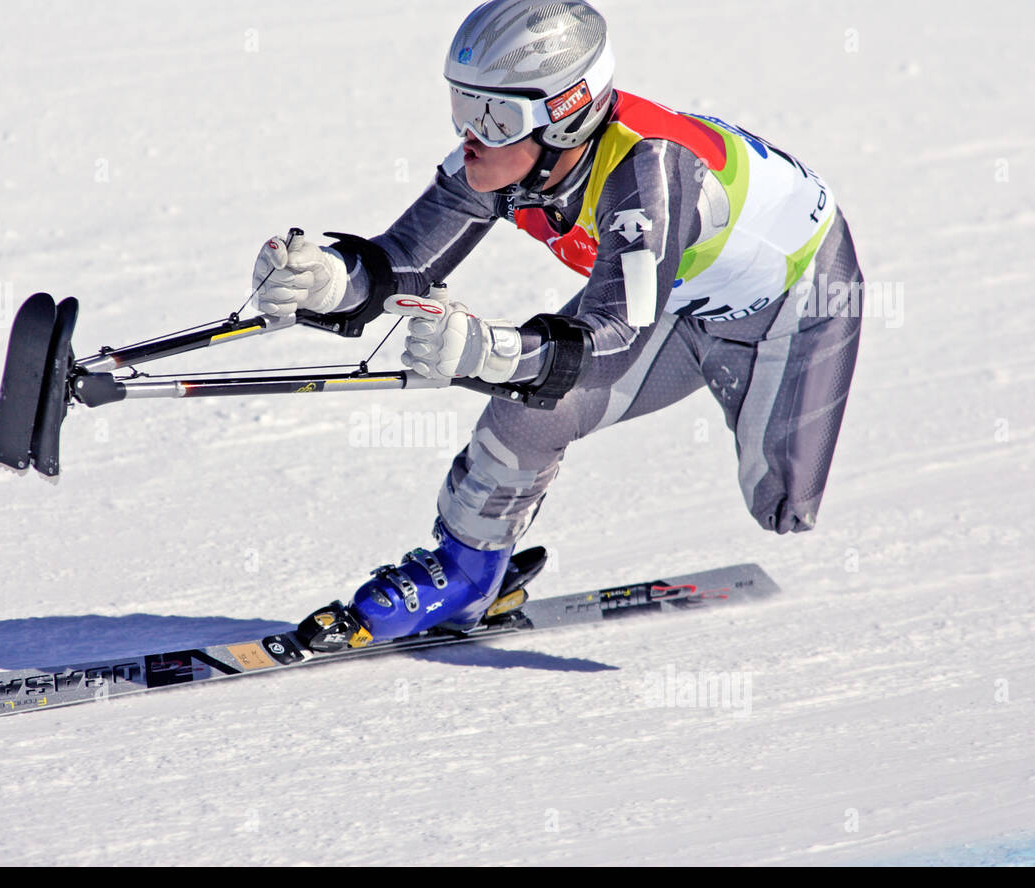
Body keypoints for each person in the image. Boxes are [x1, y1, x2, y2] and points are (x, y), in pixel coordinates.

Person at [251, 0, 863, 651]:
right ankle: (465, 576)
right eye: (463, 107)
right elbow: (405, 261)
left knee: (784, 505)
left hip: (793, 308)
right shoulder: (504, 160)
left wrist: (491, 351)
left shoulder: (650, 176)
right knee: (526, 413)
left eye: (493, 116)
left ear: (565, 117)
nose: (470, 134)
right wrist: (334, 280)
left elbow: (616, 342)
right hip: (666, 300)